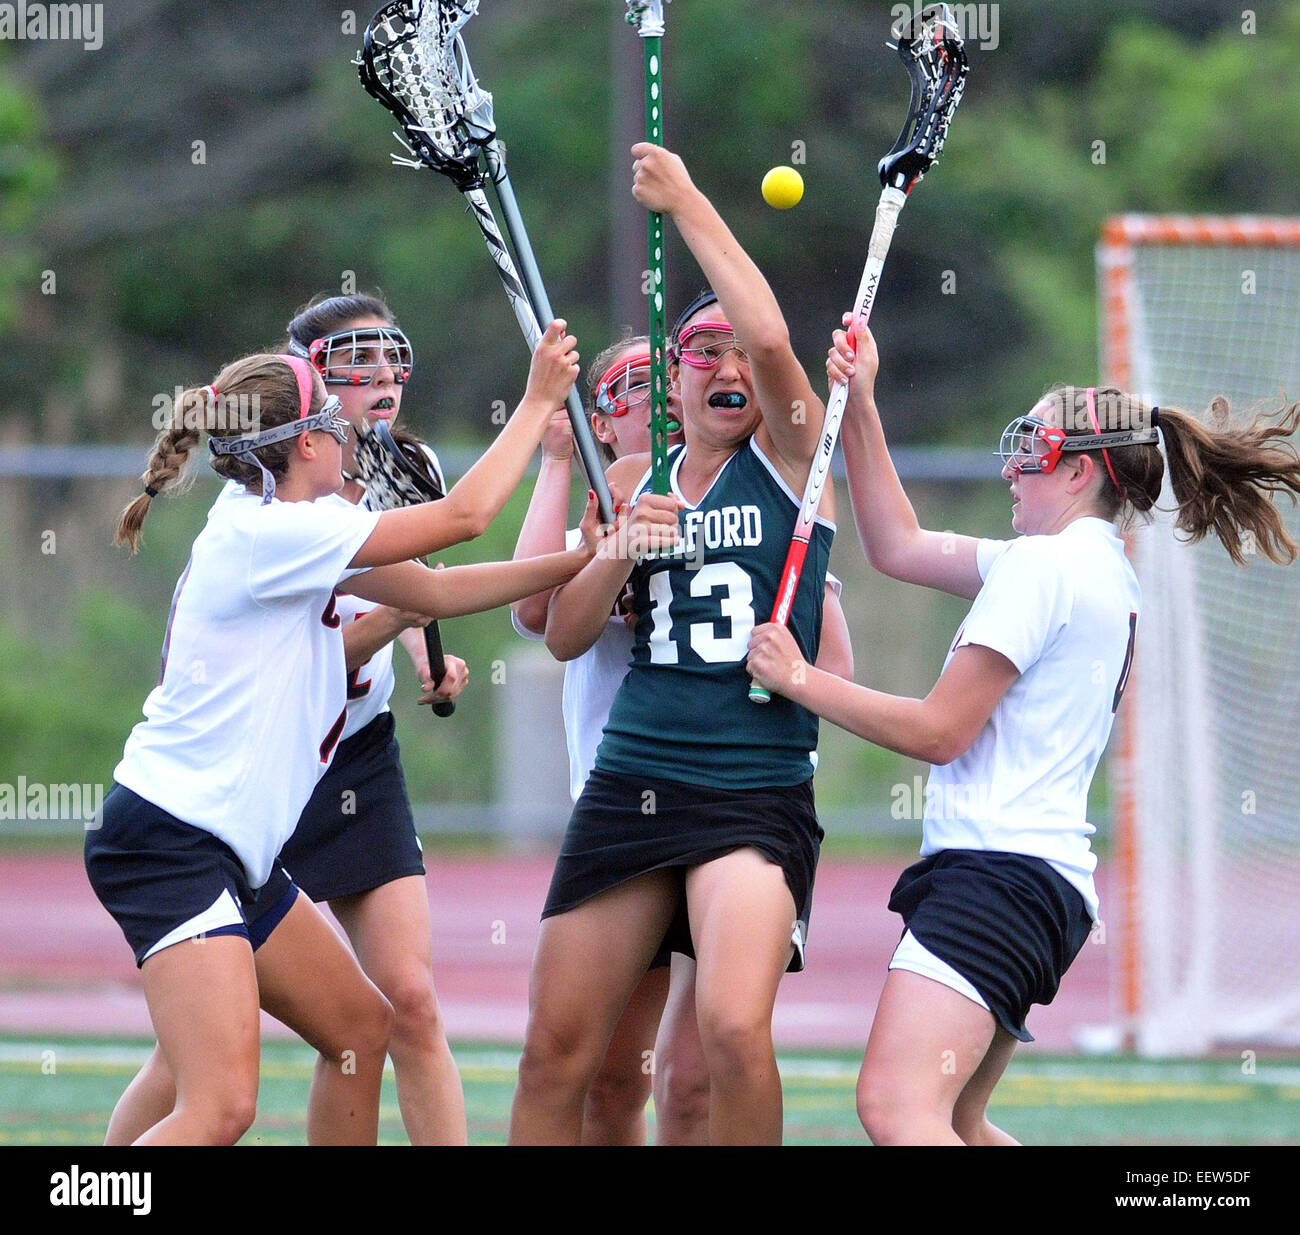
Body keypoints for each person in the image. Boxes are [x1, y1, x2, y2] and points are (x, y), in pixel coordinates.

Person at [745, 316, 1300, 1145]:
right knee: (959, 1117)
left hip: (1000, 877)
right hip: (1032, 882)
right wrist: (860, 403)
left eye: (1030, 447)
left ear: (1078, 469)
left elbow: (940, 731)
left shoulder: (1045, 569)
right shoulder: (1086, 565)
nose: (1010, 464)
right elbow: (897, 544)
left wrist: (799, 679)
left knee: (898, 1108)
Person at [90, 325, 591, 1144]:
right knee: (218, 1104)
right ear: (306, 442)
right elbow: (465, 517)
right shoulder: (274, 534)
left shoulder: (286, 524)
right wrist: (538, 402)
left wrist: (582, 560)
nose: (345, 429)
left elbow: (444, 588)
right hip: (171, 839)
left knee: (361, 1027)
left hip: (226, 845)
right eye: (330, 415)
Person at [508, 143, 837, 1147]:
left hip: (751, 785)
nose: (731, 364)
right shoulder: (639, 489)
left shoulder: (788, 461)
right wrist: (616, 553)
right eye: (704, 350)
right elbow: (562, 635)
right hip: (634, 772)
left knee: (733, 1032)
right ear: (675, 377)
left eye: (738, 351)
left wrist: (688, 199)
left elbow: (776, 338)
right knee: (556, 1056)